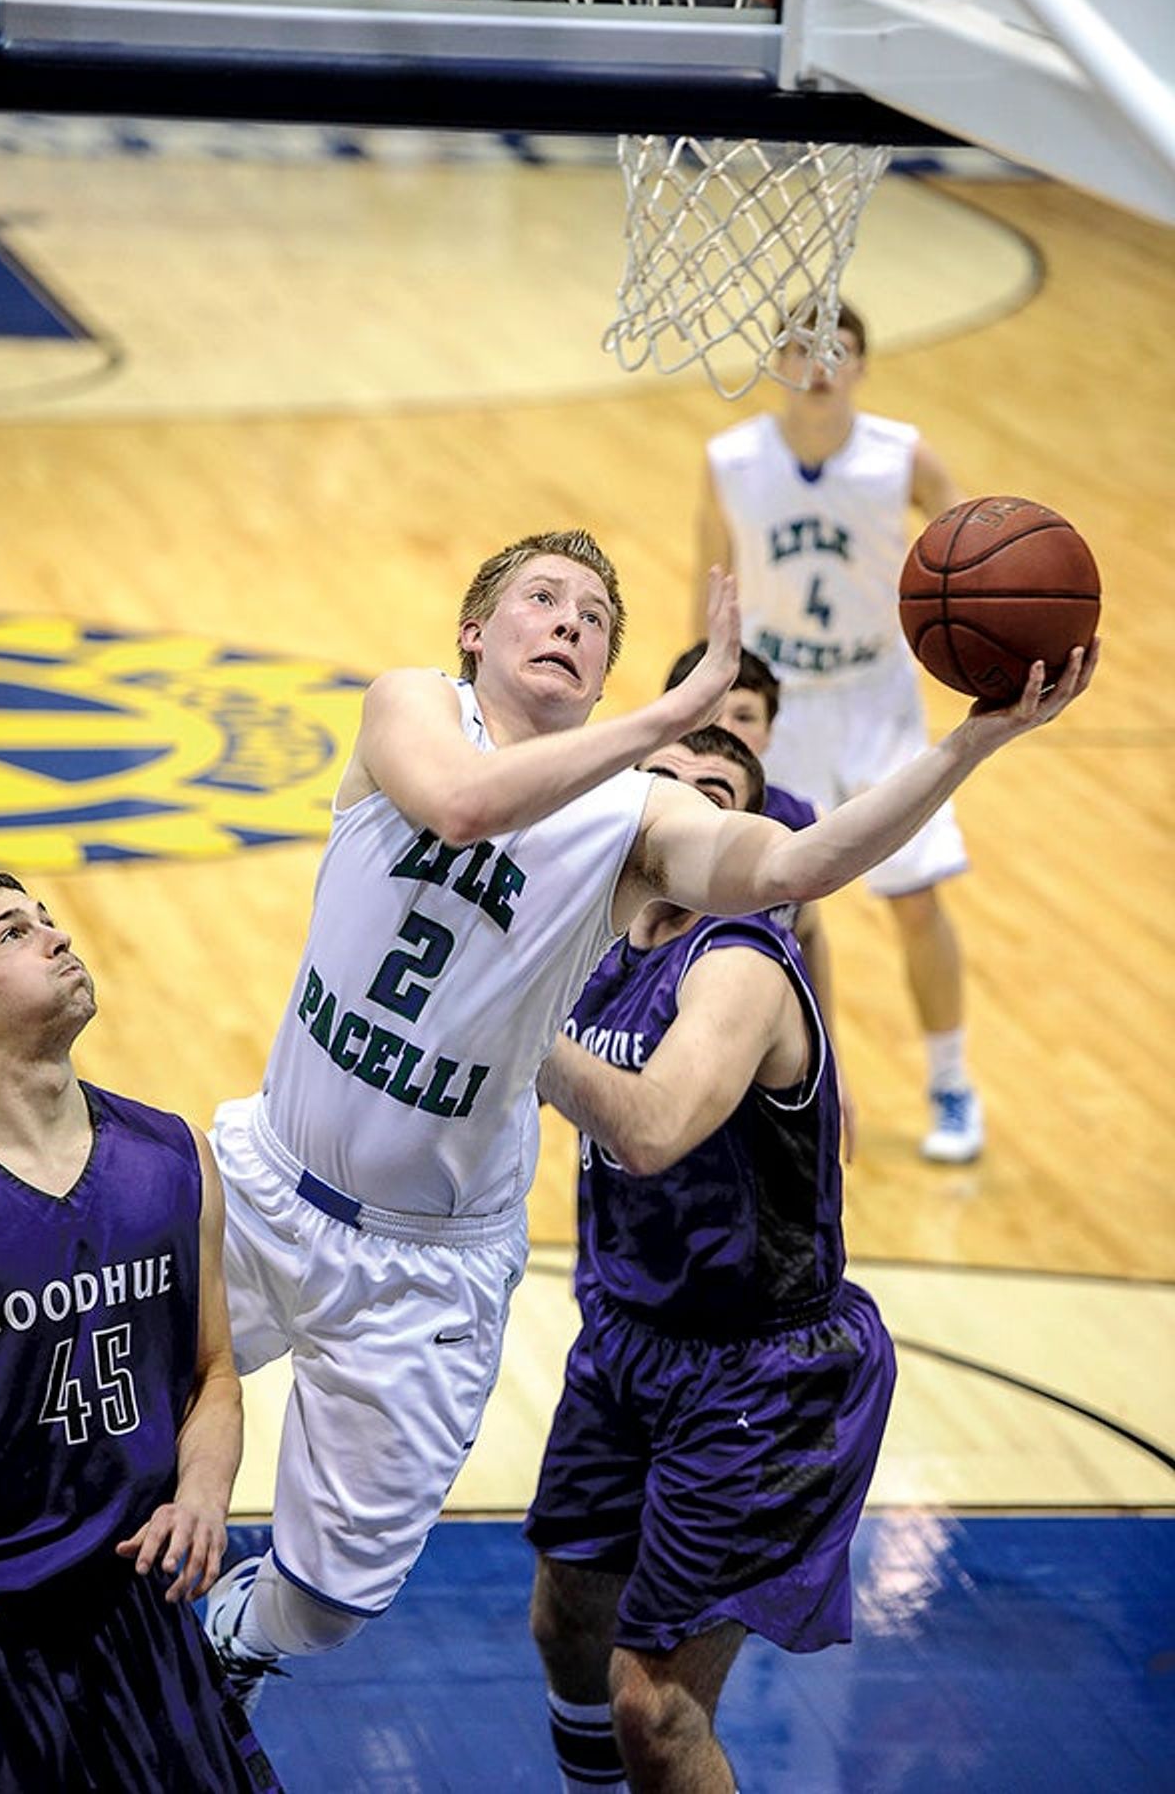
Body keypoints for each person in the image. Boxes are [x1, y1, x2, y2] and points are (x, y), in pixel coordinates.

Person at [203, 527, 1093, 1705]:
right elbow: (463, 808)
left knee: (325, 1601)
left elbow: (801, 863)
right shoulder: (412, 708)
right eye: (542, 598)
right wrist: (667, 715)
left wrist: (970, 745)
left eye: (594, 617)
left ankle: (230, 1640)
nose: (569, 619)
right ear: (475, 632)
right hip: (268, 1181)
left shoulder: (629, 825)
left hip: (427, 1265)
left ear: (609, 670)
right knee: (72, 1412)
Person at [525, 724, 894, 1793]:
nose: (682, 810)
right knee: (567, 1619)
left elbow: (645, 1128)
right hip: (629, 1340)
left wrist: (497, 1017)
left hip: (761, 1371)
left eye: (715, 794)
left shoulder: (737, 961)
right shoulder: (602, 947)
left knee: (658, 1707)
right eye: (664, 786)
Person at [0, 871, 280, 1794]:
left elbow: (217, 1372)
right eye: (10, 933)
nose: (56, 937)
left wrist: (203, 1495)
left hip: (138, 1610)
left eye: (50, 920)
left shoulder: (174, 1156)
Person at [699, 300, 984, 1163]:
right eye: (800, 346)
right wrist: (707, 695)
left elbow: (973, 534)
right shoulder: (732, 459)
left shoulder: (901, 455)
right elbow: (706, 578)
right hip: (779, 703)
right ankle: (755, 1094)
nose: (819, 363)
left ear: (863, 363)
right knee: (752, 907)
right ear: (776, 361)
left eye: (839, 349)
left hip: (875, 697)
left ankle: (951, 1081)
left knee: (914, 897)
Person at [663, 638, 856, 1153]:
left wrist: (829, 1060)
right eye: (712, 710)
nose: (726, 727)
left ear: (771, 732)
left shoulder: (795, 821)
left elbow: (809, 932)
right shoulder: (643, 818)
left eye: (746, 715)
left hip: (762, 1063)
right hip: (663, 1055)